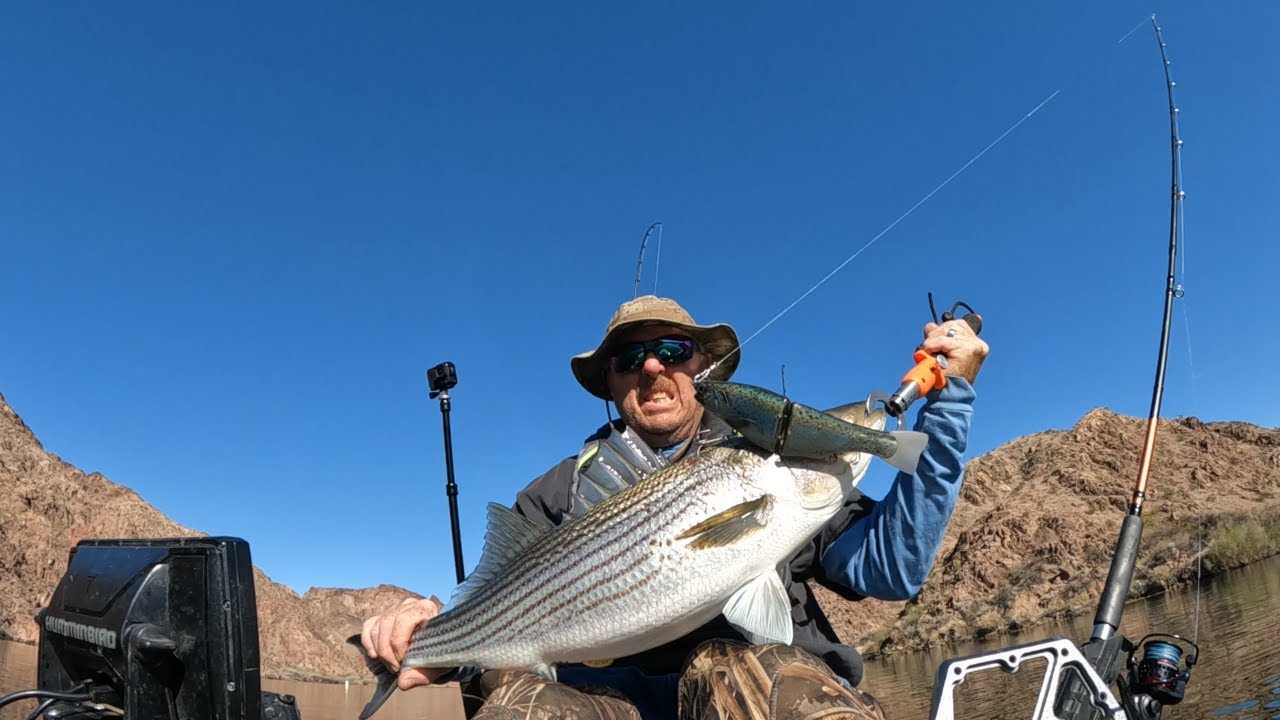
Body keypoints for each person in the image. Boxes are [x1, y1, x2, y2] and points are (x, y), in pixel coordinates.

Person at [361, 295, 989, 720]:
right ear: (610, 382)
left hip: (746, 695)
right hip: (608, 708)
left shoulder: (773, 457)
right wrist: (427, 631)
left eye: (673, 349)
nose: (653, 367)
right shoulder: (552, 497)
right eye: (629, 359)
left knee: (742, 670)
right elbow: (492, 607)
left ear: (703, 365)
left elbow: (891, 569)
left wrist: (952, 400)